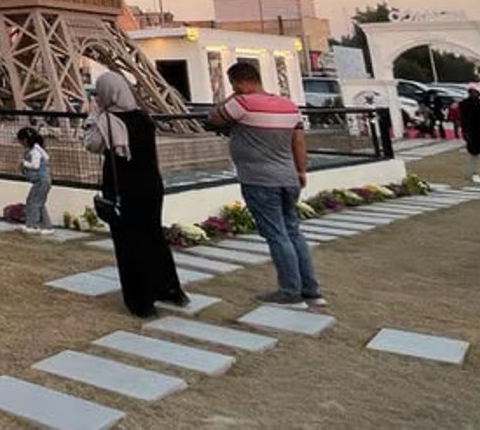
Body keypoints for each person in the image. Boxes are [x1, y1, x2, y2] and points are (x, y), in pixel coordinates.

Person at [206, 60, 325, 308]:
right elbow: (299, 142)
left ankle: (290, 290)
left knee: (276, 234)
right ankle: (311, 289)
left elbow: (215, 118)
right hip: (288, 177)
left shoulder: (242, 103)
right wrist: (301, 170)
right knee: (292, 231)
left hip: (259, 179)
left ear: (238, 82)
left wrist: (232, 97)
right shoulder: (288, 105)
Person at [83, 71, 187, 317]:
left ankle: (141, 303)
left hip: (123, 189)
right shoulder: (144, 118)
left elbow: (91, 145)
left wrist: (93, 116)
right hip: (150, 185)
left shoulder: (107, 121)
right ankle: (170, 289)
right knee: (153, 238)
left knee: (128, 245)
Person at [16, 126, 52, 231]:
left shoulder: (35, 150)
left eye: (21, 141)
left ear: (25, 140)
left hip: (42, 181)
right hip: (41, 181)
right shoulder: (37, 149)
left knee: (34, 202)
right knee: (37, 202)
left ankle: (33, 225)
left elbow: (35, 165)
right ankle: (46, 226)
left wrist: (24, 163)